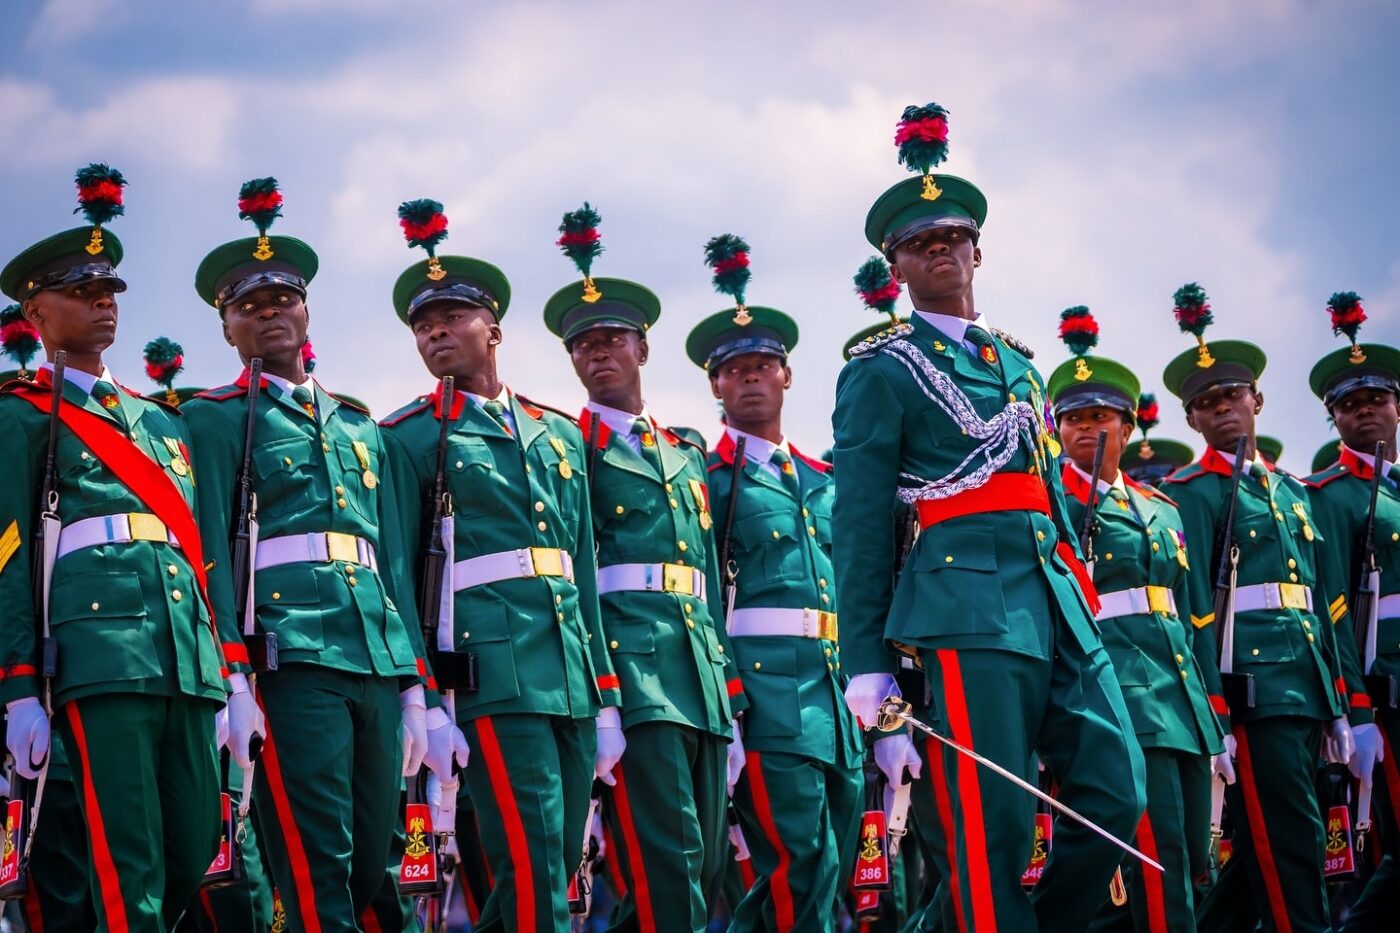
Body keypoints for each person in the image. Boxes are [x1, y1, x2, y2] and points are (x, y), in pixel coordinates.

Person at [833, 103, 1145, 932]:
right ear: (896, 268)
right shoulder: (882, 369)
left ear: (978, 248)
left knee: (1119, 786)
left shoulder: (1019, 365)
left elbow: (1046, 491)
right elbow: (861, 521)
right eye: (917, 242)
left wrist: (1070, 586)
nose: (938, 248)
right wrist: (865, 657)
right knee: (991, 827)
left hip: (1053, 599)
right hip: (965, 606)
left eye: (952, 236)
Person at [182, 178, 435, 930]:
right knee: (315, 854)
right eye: (247, 308)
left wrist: (416, 679)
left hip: (377, 657)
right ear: (228, 330)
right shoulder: (216, 418)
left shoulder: (360, 425)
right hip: (290, 656)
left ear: (306, 312)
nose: (268, 315)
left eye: (282, 301)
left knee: (380, 856)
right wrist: (232, 670)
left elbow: (393, 560)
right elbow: (212, 551)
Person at [379, 198, 620, 931]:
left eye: (451, 319)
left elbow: (580, 567)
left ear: (494, 330)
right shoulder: (411, 436)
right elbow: (398, 573)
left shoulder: (556, 432)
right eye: (423, 326)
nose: (435, 333)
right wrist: (423, 696)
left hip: (570, 674)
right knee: (533, 857)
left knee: (561, 859)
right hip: (490, 670)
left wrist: (605, 688)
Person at [0, 164, 226, 929]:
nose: (101, 302)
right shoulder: (23, 416)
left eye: (109, 291)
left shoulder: (164, 423)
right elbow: (7, 557)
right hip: (99, 656)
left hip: (185, 658)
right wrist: (18, 685)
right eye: (79, 289)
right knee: (126, 861)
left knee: (192, 845)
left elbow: (200, 555)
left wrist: (232, 670)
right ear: (34, 308)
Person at [543, 204, 747, 932]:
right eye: (584, 345)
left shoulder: (687, 448)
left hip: (698, 670)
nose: (598, 353)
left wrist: (729, 688)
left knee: (706, 866)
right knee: (667, 856)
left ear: (643, 348)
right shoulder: (567, 446)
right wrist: (602, 693)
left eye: (613, 339)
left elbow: (706, 577)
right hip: (634, 667)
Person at [1159, 281, 1366, 933]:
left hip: (1306, 685)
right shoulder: (1190, 491)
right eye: (1208, 403)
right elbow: (1194, 610)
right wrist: (1212, 708)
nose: (1224, 410)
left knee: (1262, 858)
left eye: (1233, 396)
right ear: (1192, 420)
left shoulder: (1294, 494)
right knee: (1291, 844)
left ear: (1258, 400)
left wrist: (1342, 701)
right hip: (1252, 690)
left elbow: (1328, 606)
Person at [684, 237, 864, 931]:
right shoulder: (710, 480)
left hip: (833, 691)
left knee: (832, 863)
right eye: (734, 371)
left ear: (788, 375)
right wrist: (728, 699)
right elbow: (703, 595)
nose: (750, 378)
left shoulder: (825, 481)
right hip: (764, 692)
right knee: (797, 859)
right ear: (716, 387)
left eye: (763, 365)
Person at [1047, 306, 1227, 932]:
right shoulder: (1053, 505)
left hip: (1180, 700)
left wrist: (1215, 713)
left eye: (1100, 417)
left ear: (1126, 427)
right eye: (1072, 419)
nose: (1086, 429)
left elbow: (1193, 619)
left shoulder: (1162, 509)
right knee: (1154, 855)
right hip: (1116, 693)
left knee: (1194, 857)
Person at [1300, 292, 1396, 930]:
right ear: (1334, 419)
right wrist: (1355, 709)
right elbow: (1333, 610)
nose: (1365, 412)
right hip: (1384, 689)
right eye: (1349, 405)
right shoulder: (1329, 496)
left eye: (1376, 400)